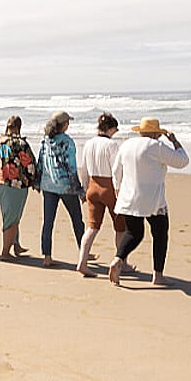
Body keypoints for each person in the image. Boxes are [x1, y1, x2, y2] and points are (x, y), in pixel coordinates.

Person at [108, 117, 189, 286]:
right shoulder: (156, 146)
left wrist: (117, 189)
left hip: (129, 197)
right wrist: (175, 141)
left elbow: (116, 170)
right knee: (160, 235)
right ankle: (158, 276)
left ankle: (118, 259)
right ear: (155, 133)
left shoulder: (127, 145)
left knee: (133, 234)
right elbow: (182, 161)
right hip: (153, 200)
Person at [0, 116, 37, 261]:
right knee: (12, 218)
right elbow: (30, 164)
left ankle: (16, 245)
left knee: (10, 214)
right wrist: (34, 181)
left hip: (0, 183)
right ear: (19, 126)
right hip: (16, 184)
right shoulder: (21, 143)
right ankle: (5, 252)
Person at [35, 111, 86, 270]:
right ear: (63, 125)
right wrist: (79, 189)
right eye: (68, 122)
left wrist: (37, 182)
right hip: (65, 186)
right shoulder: (67, 142)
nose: (69, 124)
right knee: (77, 220)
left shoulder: (46, 140)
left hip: (48, 185)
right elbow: (71, 167)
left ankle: (47, 256)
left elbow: (40, 163)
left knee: (48, 221)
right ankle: (83, 252)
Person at [77, 113, 126, 275]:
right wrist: (119, 189)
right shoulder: (112, 145)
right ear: (110, 129)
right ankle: (122, 262)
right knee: (120, 228)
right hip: (109, 188)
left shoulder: (89, 144)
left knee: (92, 227)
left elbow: (83, 169)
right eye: (115, 130)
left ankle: (82, 262)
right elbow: (116, 170)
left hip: (92, 186)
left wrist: (83, 189)